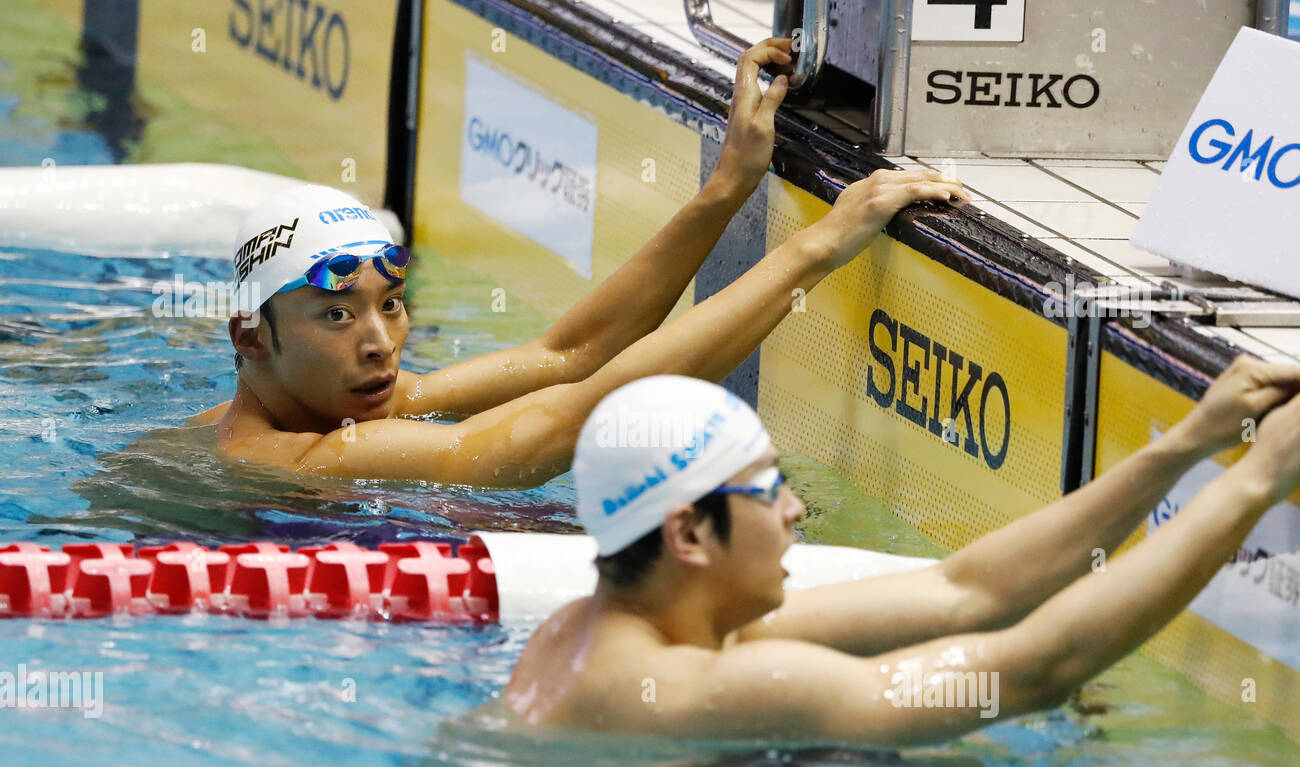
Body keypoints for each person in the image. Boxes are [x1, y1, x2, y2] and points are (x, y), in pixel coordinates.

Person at [188, 38, 967, 486]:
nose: (380, 341)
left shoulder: (341, 400)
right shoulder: (298, 457)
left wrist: (728, 185)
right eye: (335, 313)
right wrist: (814, 249)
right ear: (251, 337)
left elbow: (567, 357)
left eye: (389, 302)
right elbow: (553, 433)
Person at [505, 361, 1300, 747]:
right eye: (769, 489)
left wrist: (1190, 444)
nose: (796, 509)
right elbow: (1028, 672)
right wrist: (1253, 482)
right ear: (687, 535)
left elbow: (964, 594)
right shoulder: (696, 682)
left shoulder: (612, 630)